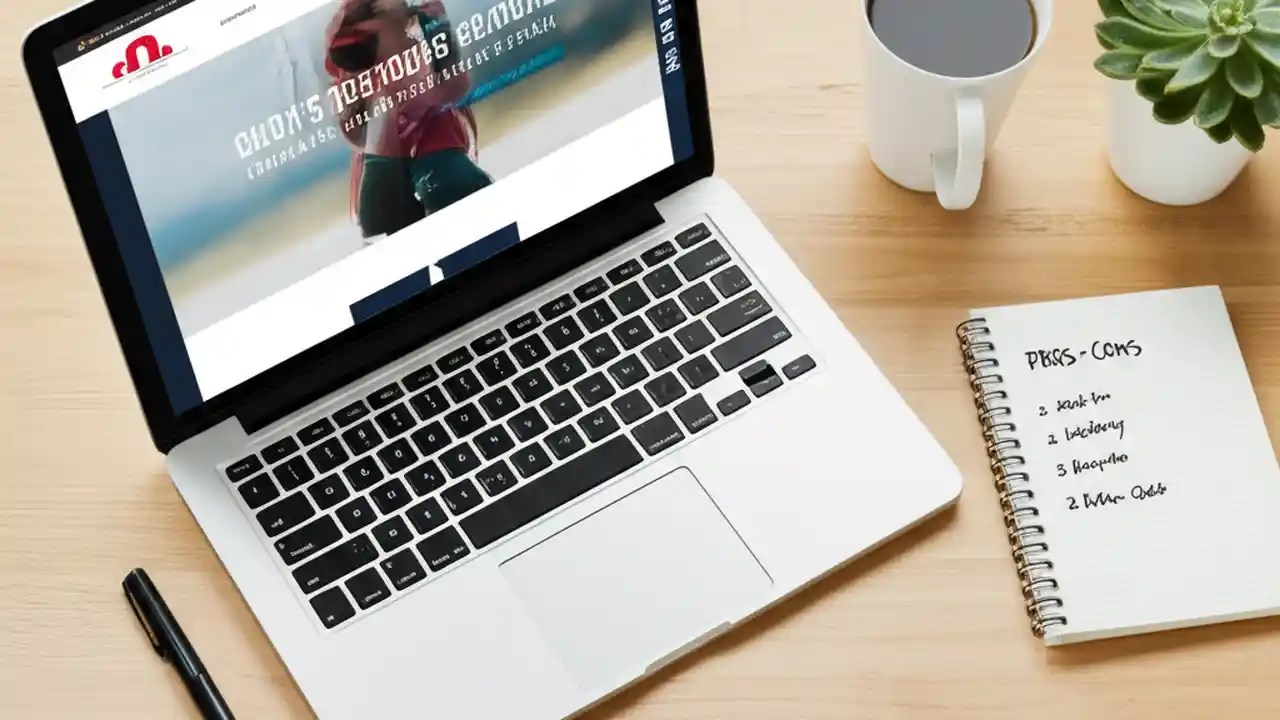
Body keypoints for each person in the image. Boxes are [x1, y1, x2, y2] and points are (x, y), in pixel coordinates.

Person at [324, 0, 492, 240]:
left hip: (413, 163)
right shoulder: (370, 54)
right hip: (418, 165)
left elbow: (455, 86)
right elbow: (455, 86)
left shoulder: (400, 46)